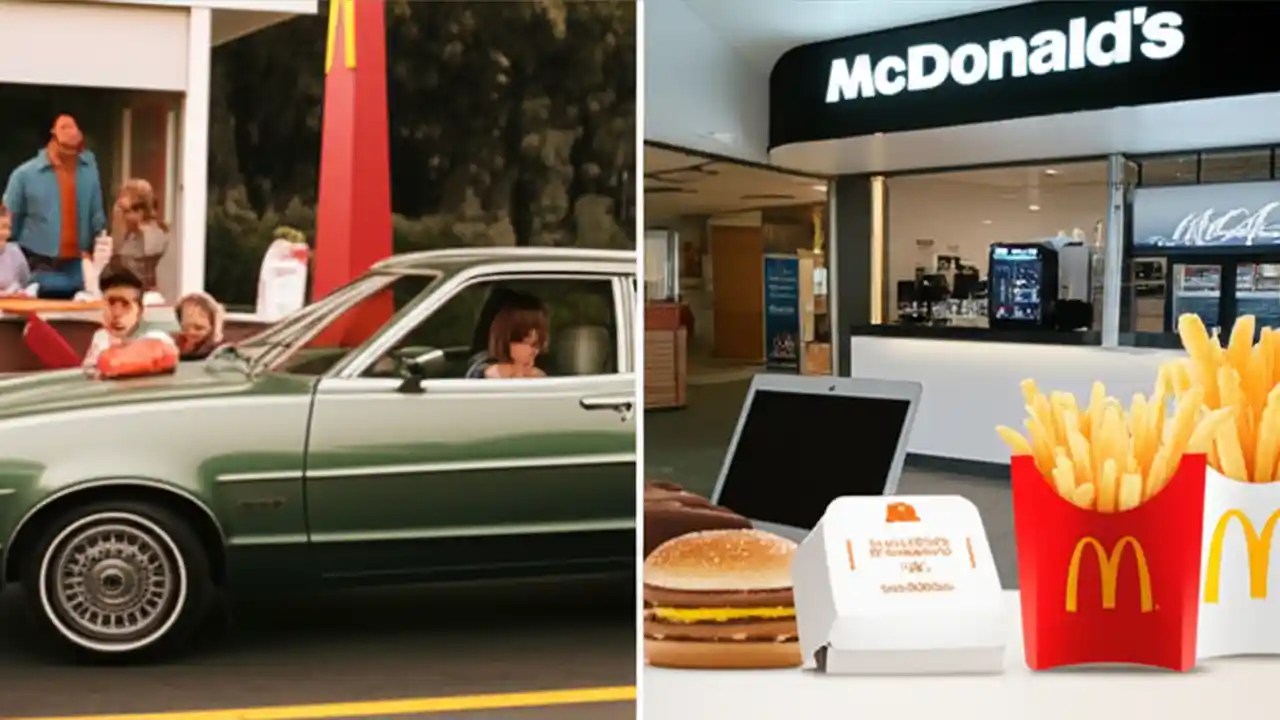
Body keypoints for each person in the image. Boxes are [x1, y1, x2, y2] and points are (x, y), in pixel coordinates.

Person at [2, 114, 108, 299]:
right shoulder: (24, 175)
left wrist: (97, 252)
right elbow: (10, 221)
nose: (71, 153)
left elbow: (97, 215)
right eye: (66, 147)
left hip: (77, 260)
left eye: (76, 148)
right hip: (35, 259)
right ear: (52, 139)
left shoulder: (89, 172)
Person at [82, 266, 175, 372]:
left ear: (139, 310)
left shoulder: (158, 339)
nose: (116, 313)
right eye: (111, 303)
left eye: (125, 305)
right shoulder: (100, 339)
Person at [465, 293, 549, 379]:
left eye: (537, 345)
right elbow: (487, 372)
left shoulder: (538, 376)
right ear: (507, 340)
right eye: (529, 343)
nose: (534, 351)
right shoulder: (482, 373)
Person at [110, 179, 169, 291]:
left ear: (139, 212)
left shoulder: (153, 236)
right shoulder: (128, 234)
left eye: (125, 211)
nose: (121, 216)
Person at [173, 291, 225, 360]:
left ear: (214, 327)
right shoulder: (173, 346)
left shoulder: (221, 354)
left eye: (199, 328)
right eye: (185, 328)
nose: (191, 332)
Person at [0, 204, 31, 294]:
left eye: (7, 227)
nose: (4, 233)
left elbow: (26, 285)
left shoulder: (15, 252)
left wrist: (15, 289)